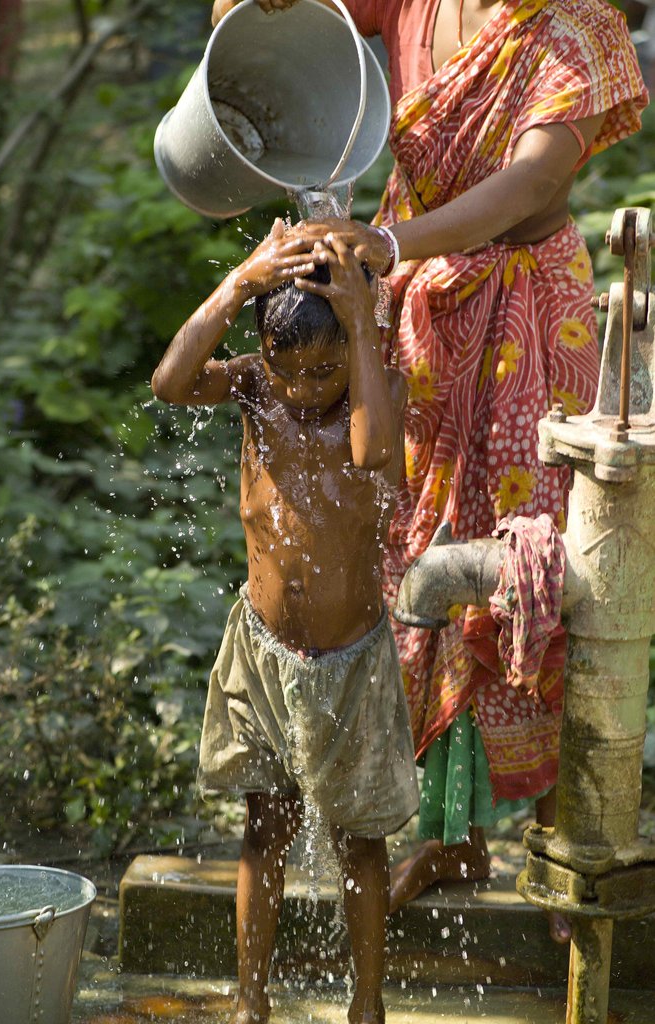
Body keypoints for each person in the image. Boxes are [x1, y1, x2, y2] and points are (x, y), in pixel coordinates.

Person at [211, 0, 649, 944]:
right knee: (415, 552)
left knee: (539, 577)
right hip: (414, 314)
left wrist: (391, 245)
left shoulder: (576, 28)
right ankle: (449, 842)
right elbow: (281, 17)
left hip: (530, 314)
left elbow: (527, 183)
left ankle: (561, 840)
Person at [151, 219, 419, 1024]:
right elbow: (169, 381)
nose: (305, 387)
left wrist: (364, 326)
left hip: (352, 660)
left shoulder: (379, 387)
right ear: (263, 357)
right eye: (289, 369)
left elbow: (373, 454)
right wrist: (240, 281)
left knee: (358, 842)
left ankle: (366, 1005)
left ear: (355, 345)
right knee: (262, 828)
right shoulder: (250, 389)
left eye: (325, 367)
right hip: (262, 653)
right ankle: (250, 999)